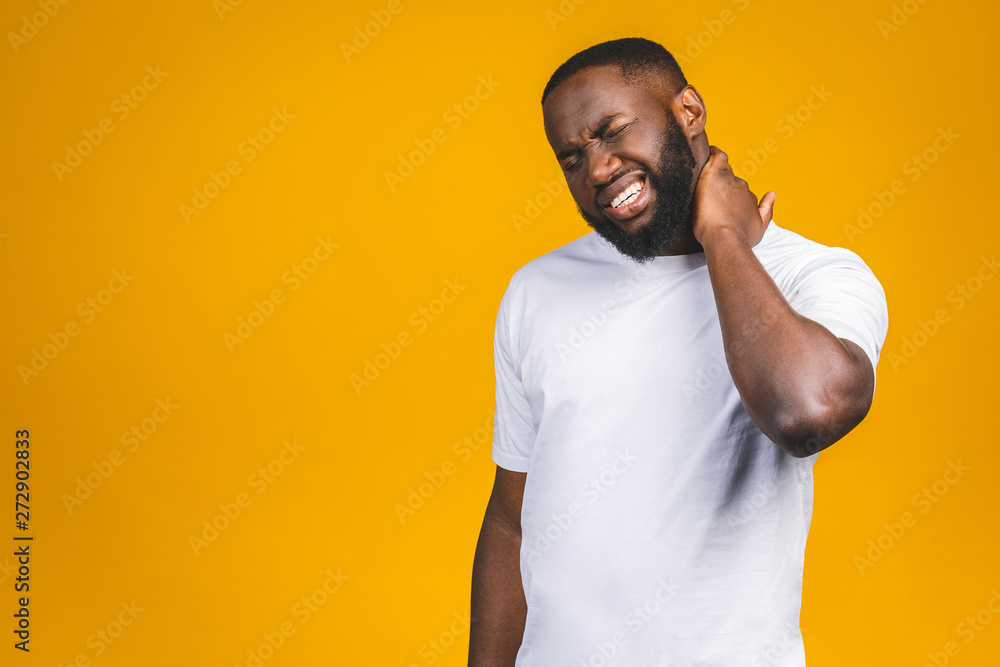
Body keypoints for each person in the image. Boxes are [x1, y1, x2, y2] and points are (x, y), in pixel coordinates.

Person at [468, 37, 889, 666]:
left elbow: (808, 411)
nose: (599, 169)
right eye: (572, 159)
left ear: (688, 110)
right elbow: (512, 518)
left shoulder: (813, 275)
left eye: (611, 132)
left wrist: (721, 234)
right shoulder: (537, 290)